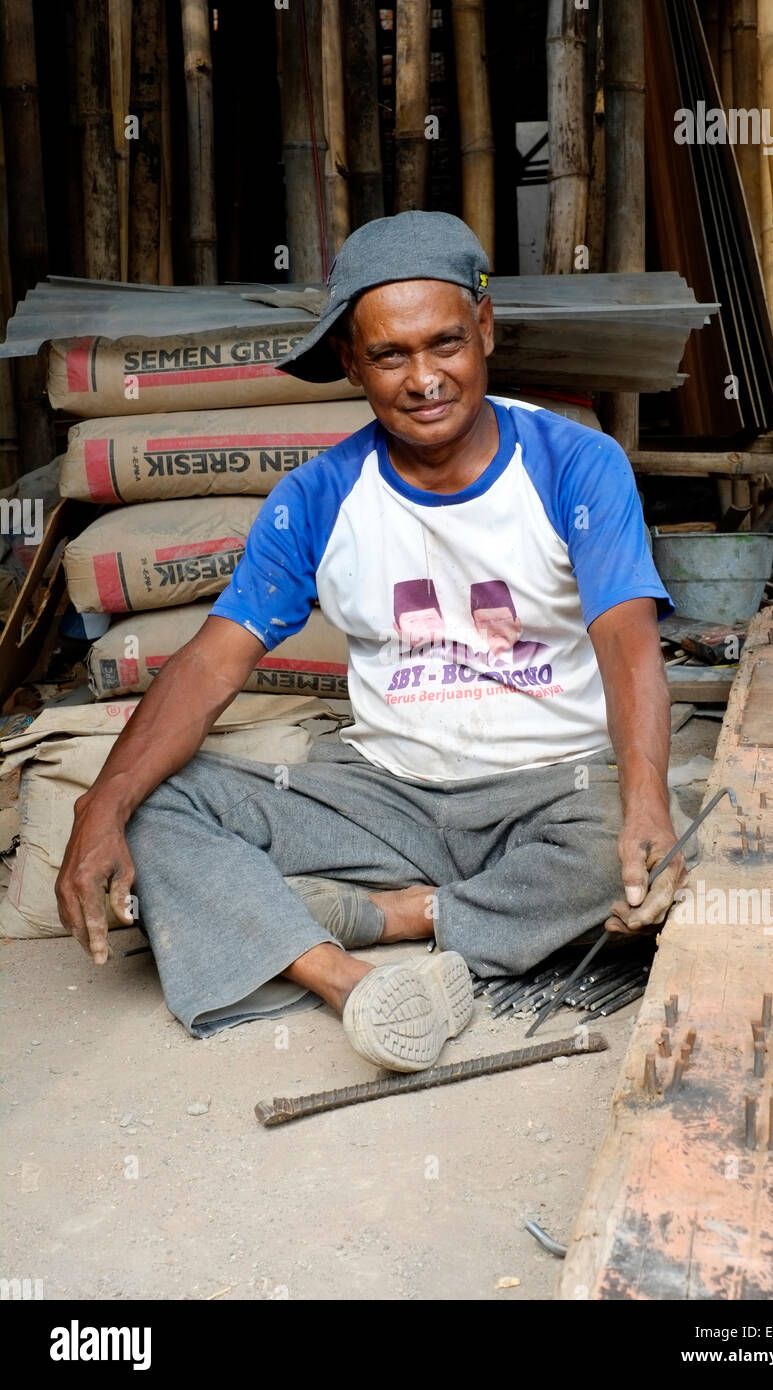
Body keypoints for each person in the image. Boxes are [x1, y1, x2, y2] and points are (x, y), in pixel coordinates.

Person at [56, 210, 685, 1073]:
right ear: (351, 362)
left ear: (486, 330)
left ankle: (397, 916)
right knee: (157, 798)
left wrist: (647, 794)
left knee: (637, 839)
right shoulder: (319, 495)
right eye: (390, 356)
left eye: (445, 344)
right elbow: (209, 663)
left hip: (552, 792)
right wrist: (103, 804)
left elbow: (627, 645)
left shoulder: (575, 463)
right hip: (385, 796)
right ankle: (347, 978)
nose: (425, 379)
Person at [469, 579, 548, 665]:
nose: (494, 628)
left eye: (501, 619)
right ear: (476, 628)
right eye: (484, 621)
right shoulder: (469, 660)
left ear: (517, 623)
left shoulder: (542, 654)